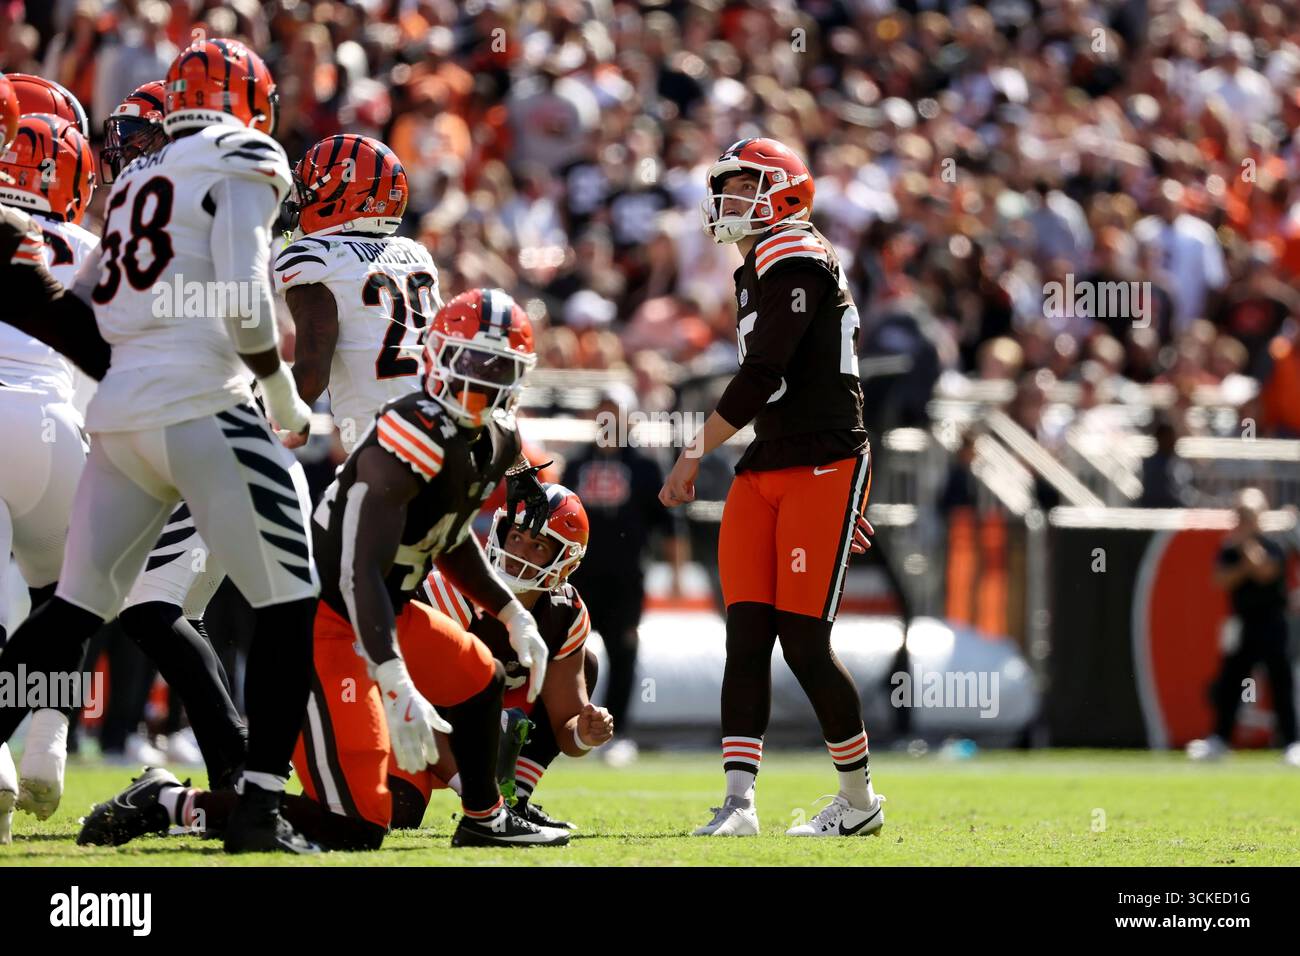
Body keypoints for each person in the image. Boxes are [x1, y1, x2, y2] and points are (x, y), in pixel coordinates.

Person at [78, 289, 571, 850]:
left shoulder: (497, 440)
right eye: (469, 363)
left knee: (479, 677)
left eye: (498, 369)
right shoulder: (408, 440)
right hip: (324, 619)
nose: (480, 384)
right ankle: (171, 803)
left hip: (386, 609)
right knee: (359, 826)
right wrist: (394, 676)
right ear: (437, 356)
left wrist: (509, 612)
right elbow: (357, 572)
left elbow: (450, 536)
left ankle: (485, 817)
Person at [0, 39, 321, 854]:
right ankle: (257, 806)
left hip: (119, 417)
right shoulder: (242, 152)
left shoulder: (141, 176)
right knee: (289, 602)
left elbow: (85, 297)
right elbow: (246, 290)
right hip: (203, 402)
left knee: (72, 610)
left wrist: (132, 368)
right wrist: (280, 392)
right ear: (250, 100)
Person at [659, 137, 880, 838]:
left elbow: (767, 376)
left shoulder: (796, 249)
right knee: (746, 634)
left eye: (742, 184)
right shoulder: (756, 261)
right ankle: (739, 803)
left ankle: (859, 801)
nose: (727, 200)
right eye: (724, 188)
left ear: (783, 189)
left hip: (822, 460)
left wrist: (693, 452)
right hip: (772, 462)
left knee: (804, 641)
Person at [396, 482, 614, 830]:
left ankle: (516, 797)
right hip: (407, 724)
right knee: (395, 812)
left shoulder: (566, 612)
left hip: (476, 728)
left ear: (565, 562)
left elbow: (566, 729)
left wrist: (586, 735)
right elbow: (410, 708)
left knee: (585, 662)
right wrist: (477, 795)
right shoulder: (450, 594)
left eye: (538, 545)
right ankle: (495, 803)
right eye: (515, 536)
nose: (519, 552)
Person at [562, 385, 684, 765]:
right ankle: (567, 725)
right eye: (601, 412)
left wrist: (677, 575)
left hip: (625, 577)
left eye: (613, 412)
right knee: (567, 651)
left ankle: (618, 733)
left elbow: (668, 525)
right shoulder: (576, 463)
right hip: (579, 576)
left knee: (623, 651)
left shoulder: (645, 466)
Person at [1188, 488, 1300, 767]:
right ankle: (1219, 739)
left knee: (1280, 683)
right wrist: (1244, 561)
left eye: (1247, 516)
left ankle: (1291, 742)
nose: (1242, 521)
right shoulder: (1229, 549)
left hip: (1273, 623)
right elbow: (1221, 580)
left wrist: (1248, 548)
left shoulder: (1274, 542)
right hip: (1243, 623)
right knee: (1230, 682)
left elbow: (1265, 571)